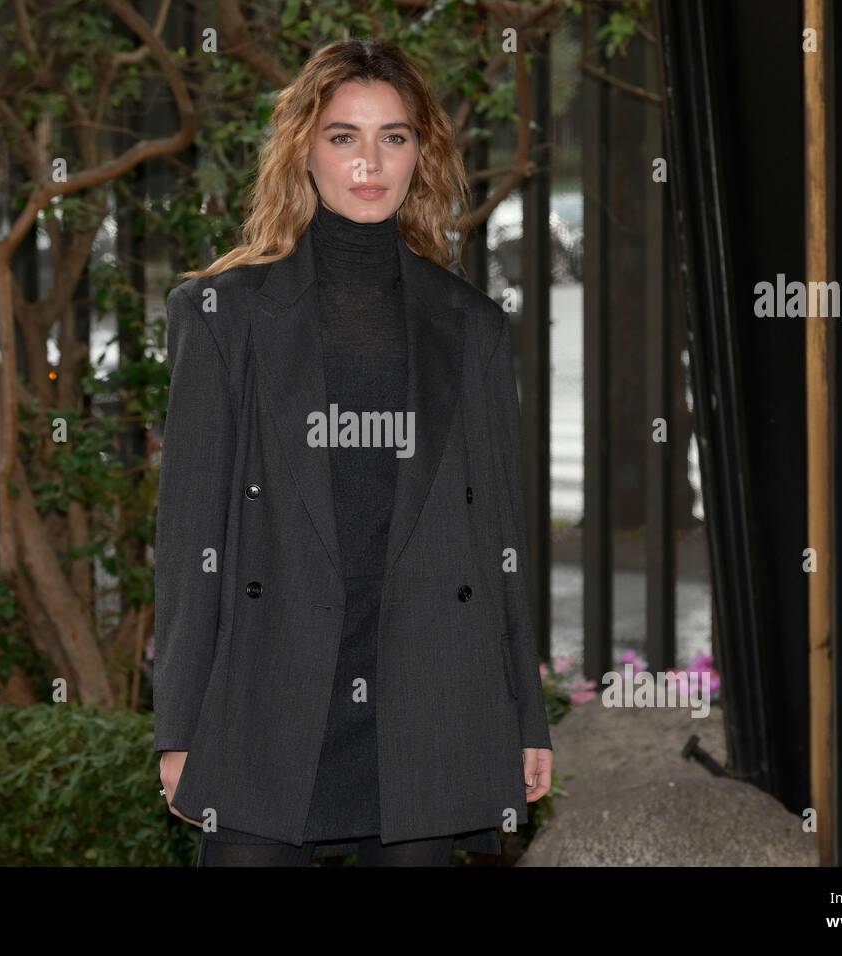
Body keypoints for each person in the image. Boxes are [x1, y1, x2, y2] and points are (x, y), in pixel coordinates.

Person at [153, 37, 553, 867]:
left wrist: (524, 720)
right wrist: (180, 728)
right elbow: (190, 546)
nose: (369, 162)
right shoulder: (221, 318)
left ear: (421, 153)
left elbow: (501, 535)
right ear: (305, 149)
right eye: (344, 136)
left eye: (393, 137)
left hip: (426, 703)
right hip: (267, 702)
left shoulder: (470, 325)